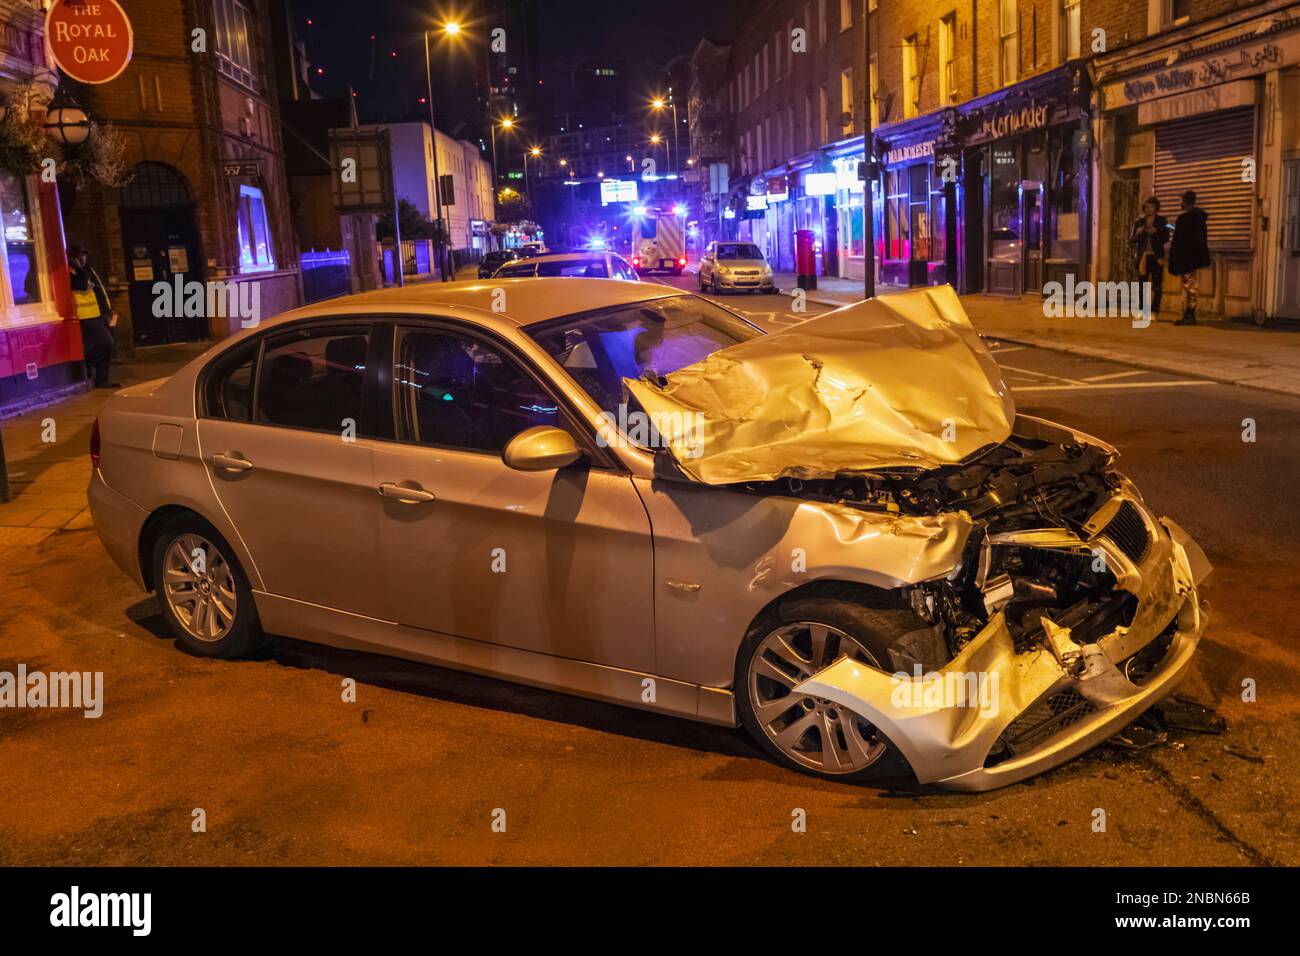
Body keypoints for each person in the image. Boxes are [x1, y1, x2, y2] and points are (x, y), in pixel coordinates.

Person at [69, 244, 119, 388]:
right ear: (73, 257)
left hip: (99, 313)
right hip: (87, 315)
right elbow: (83, 285)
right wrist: (76, 267)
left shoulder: (88, 269)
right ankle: (87, 363)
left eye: (85, 255)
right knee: (106, 343)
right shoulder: (73, 271)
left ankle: (102, 379)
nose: (84, 258)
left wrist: (109, 309)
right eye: (80, 255)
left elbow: (99, 291)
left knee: (108, 346)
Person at [1167, 190, 1212, 326]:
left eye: (1180, 201)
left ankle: (1189, 315)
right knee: (1191, 285)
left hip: (1185, 258)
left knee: (1189, 286)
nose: (1179, 203)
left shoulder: (1184, 219)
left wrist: (1175, 259)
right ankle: (1189, 313)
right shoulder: (1200, 218)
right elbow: (1199, 238)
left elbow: (1180, 241)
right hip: (1195, 257)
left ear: (1185, 202)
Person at [1129, 196, 1170, 318]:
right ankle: (1142, 310)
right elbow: (1132, 239)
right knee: (1142, 284)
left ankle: (1154, 311)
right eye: (1147, 207)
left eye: (1152, 207)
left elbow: (1166, 238)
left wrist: (1156, 232)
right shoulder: (1139, 222)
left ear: (1156, 208)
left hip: (1157, 256)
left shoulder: (1162, 221)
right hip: (1143, 256)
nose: (1149, 210)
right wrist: (1138, 233)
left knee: (1157, 286)